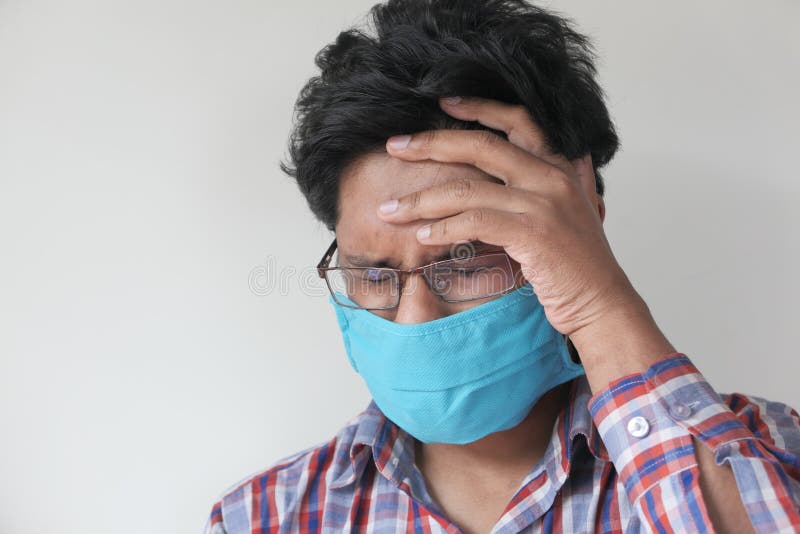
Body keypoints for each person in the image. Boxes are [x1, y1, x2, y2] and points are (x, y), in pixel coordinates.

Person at [203, 1, 800, 532]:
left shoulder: (772, 451)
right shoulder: (262, 517)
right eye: (375, 274)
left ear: (575, 233)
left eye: (465, 263)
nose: (413, 321)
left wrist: (600, 305)